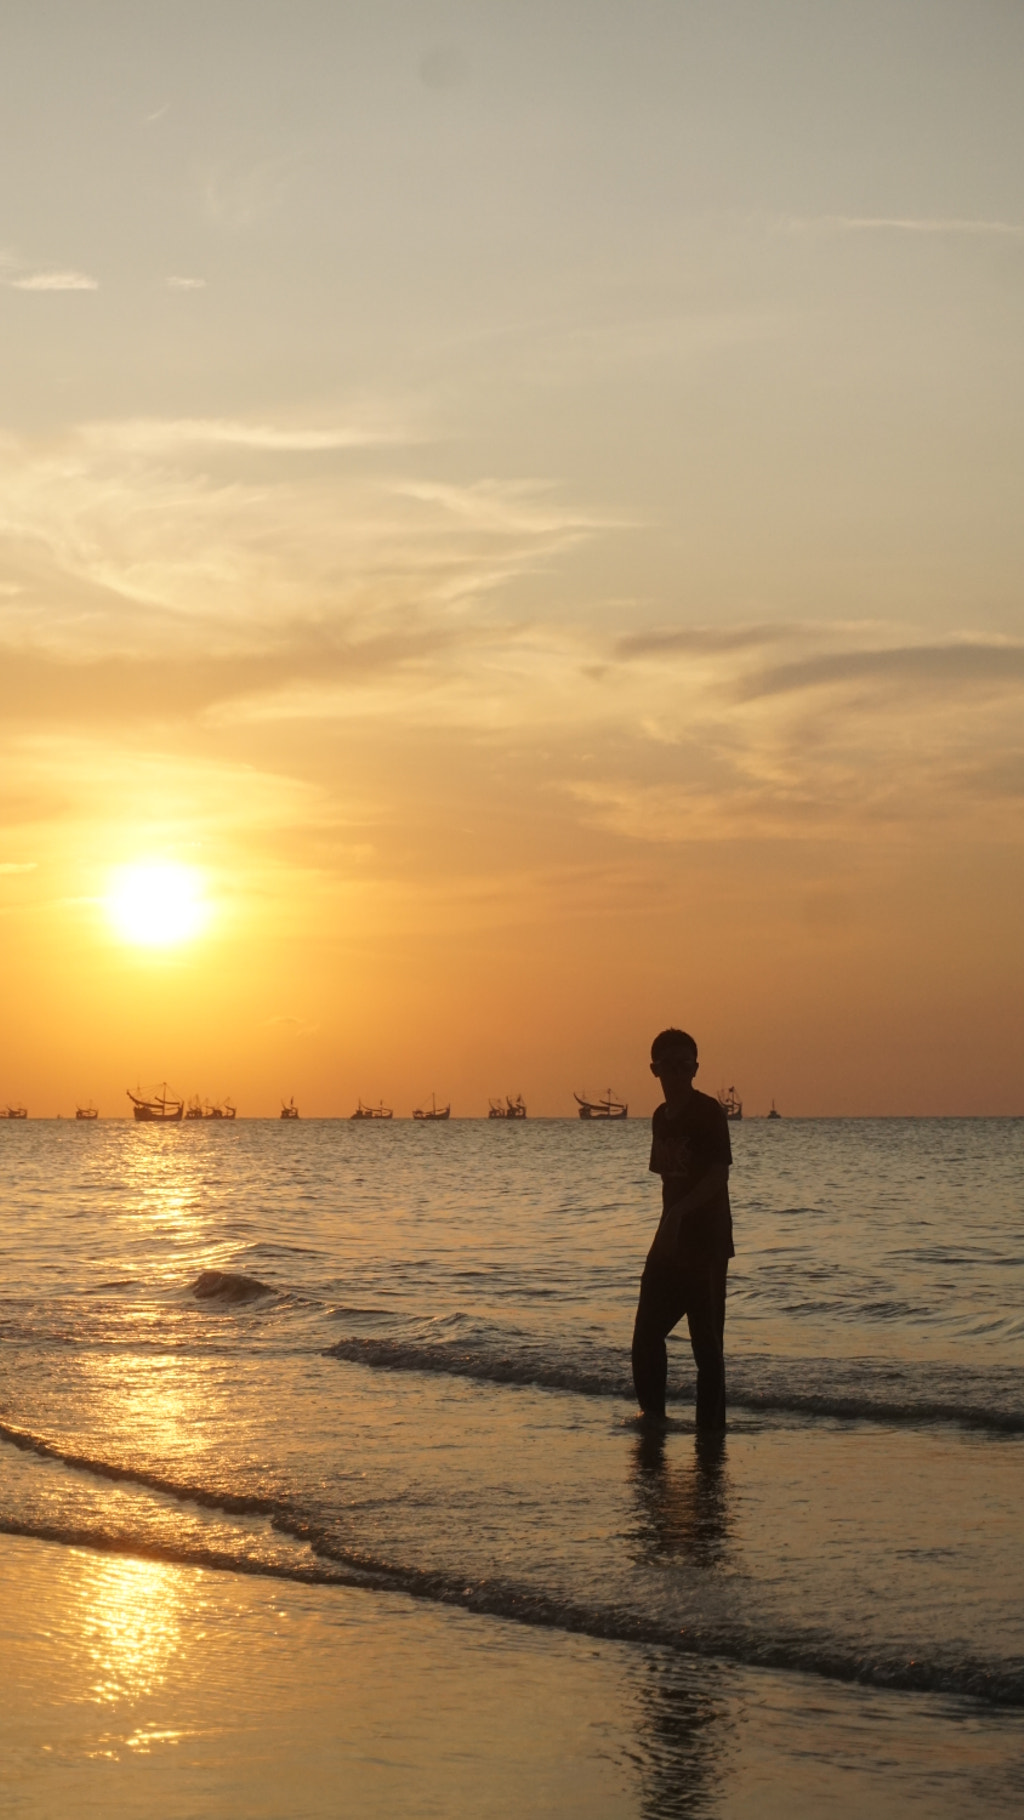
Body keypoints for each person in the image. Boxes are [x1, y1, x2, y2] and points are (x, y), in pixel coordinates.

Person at [631, 1028, 734, 1430]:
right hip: (669, 1245)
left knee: (706, 1346)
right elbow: (667, 1180)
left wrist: (680, 1214)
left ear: (695, 1068)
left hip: (707, 1244)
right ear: (654, 1069)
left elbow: (717, 1175)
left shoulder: (708, 1112)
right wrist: (667, 1225)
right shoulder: (660, 1117)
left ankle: (711, 1434)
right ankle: (653, 1420)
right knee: (646, 1336)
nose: (677, 1073)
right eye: (668, 1066)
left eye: (685, 1066)